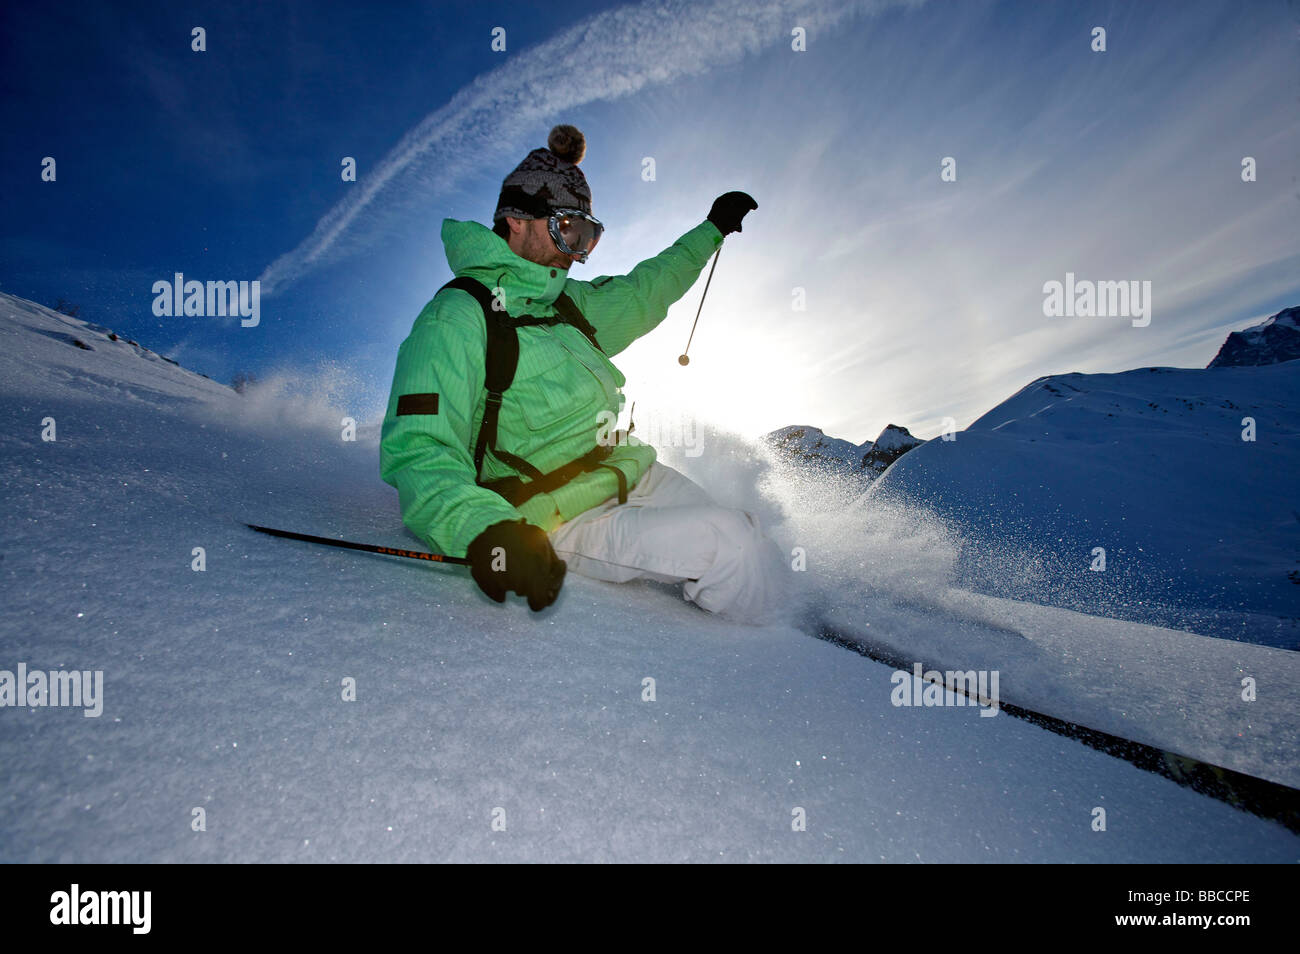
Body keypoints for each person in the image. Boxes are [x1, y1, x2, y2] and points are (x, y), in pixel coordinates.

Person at [380, 124, 784, 618]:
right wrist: (489, 532)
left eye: (588, 236)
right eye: (567, 230)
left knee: (745, 525)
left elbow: (646, 288)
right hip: (557, 512)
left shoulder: (567, 304)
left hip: (625, 470)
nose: (577, 253)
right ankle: (770, 653)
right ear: (517, 221)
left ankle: (792, 613)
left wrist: (712, 229)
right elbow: (421, 450)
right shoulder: (458, 318)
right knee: (731, 546)